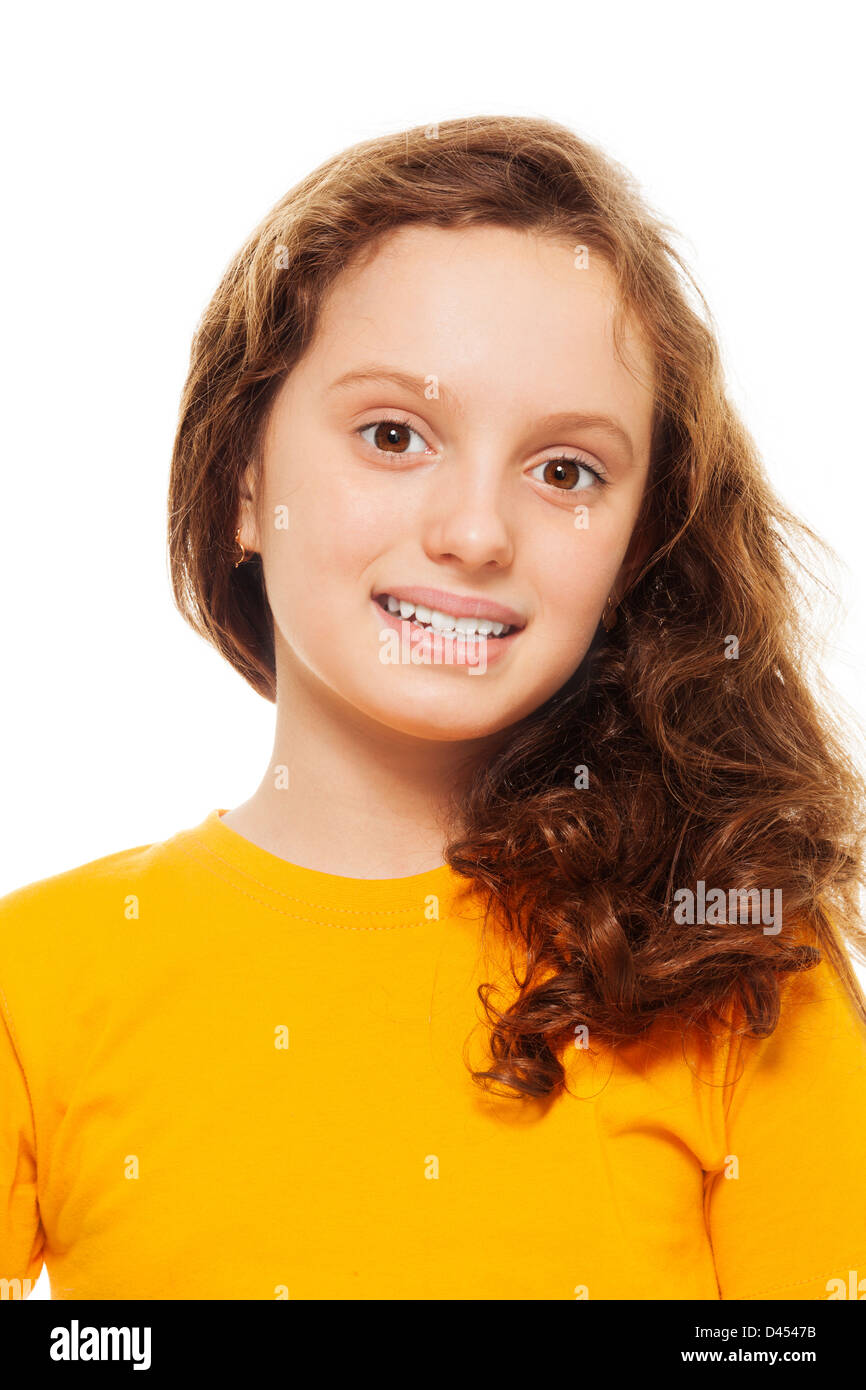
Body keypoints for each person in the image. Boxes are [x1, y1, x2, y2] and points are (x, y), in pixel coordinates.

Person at [2, 114, 865, 1301]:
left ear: (634, 543)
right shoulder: (37, 975)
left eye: (564, 470)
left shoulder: (731, 953)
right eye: (393, 434)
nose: (473, 532)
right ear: (245, 483)